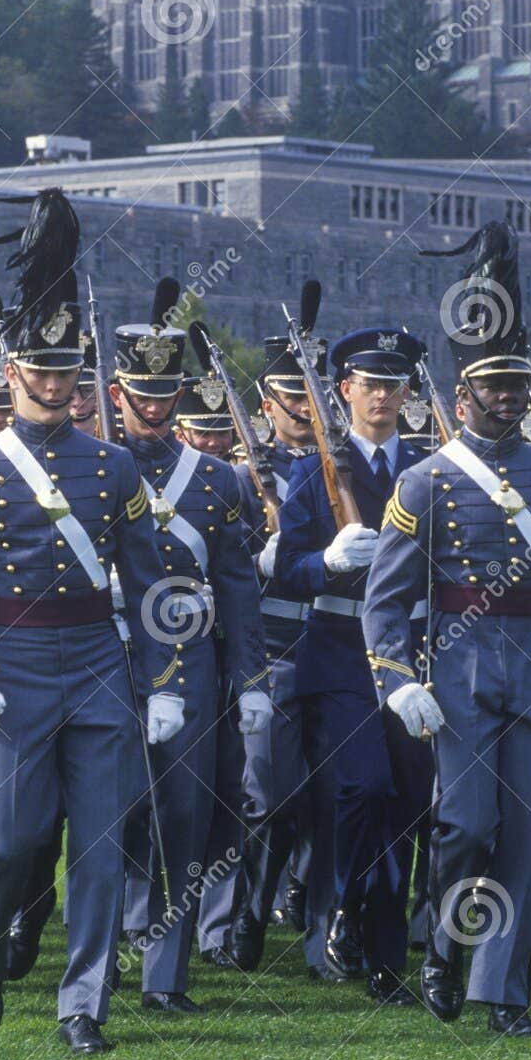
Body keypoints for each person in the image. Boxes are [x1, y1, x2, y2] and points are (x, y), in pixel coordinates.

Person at [0, 189, 183, 1053]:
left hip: (97, 666)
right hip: (14, 666)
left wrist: (162, 682)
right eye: (39, 371)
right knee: (6, 842)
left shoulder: (114, 470)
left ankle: (83, 1005)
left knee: (102, 849)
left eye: (67, 371)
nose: (54, 385)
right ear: (10, 373)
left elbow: (149, 587)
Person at [362, 227, 531, 1035]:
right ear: (460, 398)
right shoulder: (426, 479)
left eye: (517, 387)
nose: (506, 398)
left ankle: (501, 990)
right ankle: (440, 943)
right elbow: (386, 598)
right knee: (467, 825)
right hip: (460, 665)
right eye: (492, 388)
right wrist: (396, 681)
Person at [110, 287, 267, 1013]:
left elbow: (237, 588)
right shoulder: (91, 468)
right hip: (106, 650)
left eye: (166, 391)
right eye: (143, 392)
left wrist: (251, 676)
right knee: (112, 808)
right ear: (118, 393)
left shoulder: (218, 478)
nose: (155, 405)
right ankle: (107, 941)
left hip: (191, 655)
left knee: (183, 813)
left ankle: (164, 971)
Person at [276, 325, 431, 1001]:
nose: (381, 396)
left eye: (393, 384)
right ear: (344, 392)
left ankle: (385, 957)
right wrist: (326, 562)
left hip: (416, 653)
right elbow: (283, 569)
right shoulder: (315, 471)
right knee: (359, 788)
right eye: (369, 384)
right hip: (340, 652)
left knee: (405, 802)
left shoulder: (430, 469)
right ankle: (336, 908)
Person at [226, 333, 321, 972]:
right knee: (269, 796)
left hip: (338, 646)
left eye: (315, 397)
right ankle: (250, 915)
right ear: (267, 402)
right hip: (272, 651)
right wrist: (256, 557)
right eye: (294, 397)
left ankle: (323, 924)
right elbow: (218, 567)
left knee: (333, 796)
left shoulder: (342, 471)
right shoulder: (237, 476)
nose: (306, 410)